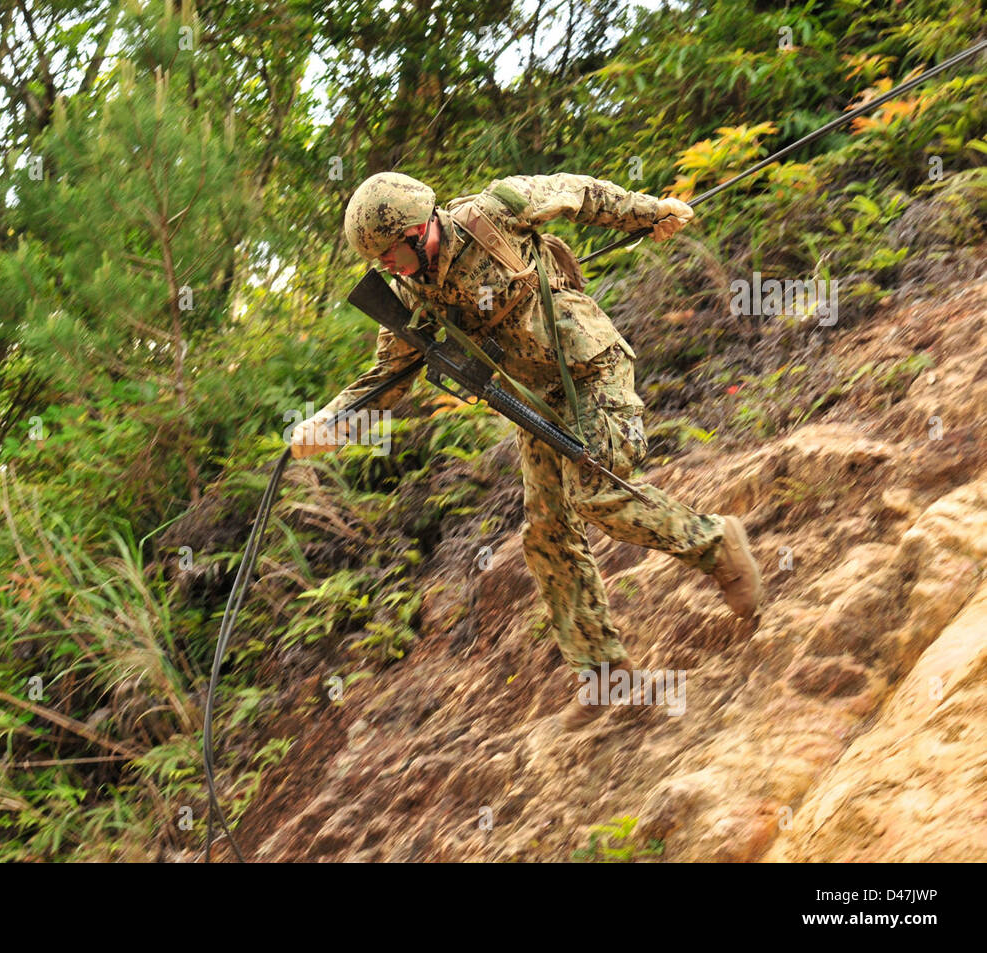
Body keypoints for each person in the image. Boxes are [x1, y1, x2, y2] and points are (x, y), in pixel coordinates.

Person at [291, 171, 763, 729]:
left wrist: (649, 211)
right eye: (379, 261)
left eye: (391, 253)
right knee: (547, 537)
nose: (388, 268)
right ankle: (609, 677)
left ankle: (717, 544)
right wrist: (328, 423)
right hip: (536, 403)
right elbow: (389, 377)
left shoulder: (497, 210)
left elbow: (581, 193)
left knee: (596, 496)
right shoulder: (408, 296)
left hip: (592, 369)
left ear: (419, 229)